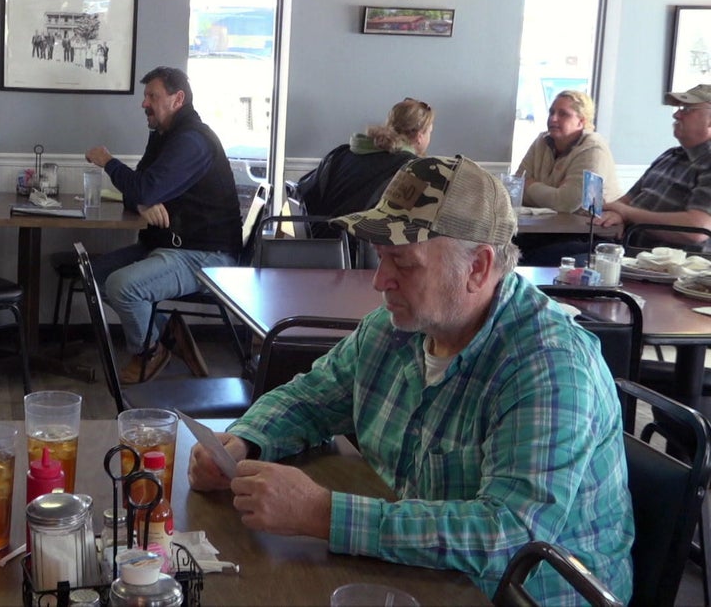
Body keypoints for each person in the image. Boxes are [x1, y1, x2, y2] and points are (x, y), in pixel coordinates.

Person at [188, 155, 634, 604]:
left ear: (478, 268)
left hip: (529, 596)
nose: (381, 280)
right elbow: (312, 397)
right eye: (381, 258)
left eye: (404, 263)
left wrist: (322, 513)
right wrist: (245, 440)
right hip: (425, 577)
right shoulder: (399, 328)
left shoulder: (549, 366)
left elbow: (508, 537)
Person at [85, 66, 241, 383]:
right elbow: (140, 188)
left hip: (205, 254)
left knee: (122, 286)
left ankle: (151, 352)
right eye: (145, 96)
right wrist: (143, 200)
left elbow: (142, 186)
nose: (144, 103)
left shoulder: (193, 142)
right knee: (92, 274)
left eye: (152, 96)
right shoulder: (164, 135)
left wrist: (108, 162)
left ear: (177, 98)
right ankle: (168, 334)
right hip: (169, 244)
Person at [293, 97, 433, 247]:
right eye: (430, 132)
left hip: (314, 245)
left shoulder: (341, 154)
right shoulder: (410, 168)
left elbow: (303, 193)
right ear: (420, 137)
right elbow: (410, 224)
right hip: (360, 254)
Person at [594, 83, 711, 248]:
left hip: (668, 266)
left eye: (687, 109)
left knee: (554, 259)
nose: (677, 115)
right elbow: (626, 201)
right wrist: (616, 213)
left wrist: (626, 214)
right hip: (623, 249)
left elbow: (696, 229)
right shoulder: (671, 155)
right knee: (552, 251)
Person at [516, 90, 621, 212]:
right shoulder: (541, 141)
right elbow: (516, 187)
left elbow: (566, 204)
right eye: (551, 112)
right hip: (550, 224)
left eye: (563, 114)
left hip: (591, 228)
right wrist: (554, 194)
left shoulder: (593, 149)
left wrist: (530, 185)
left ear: (581, 122)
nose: (553, 118)